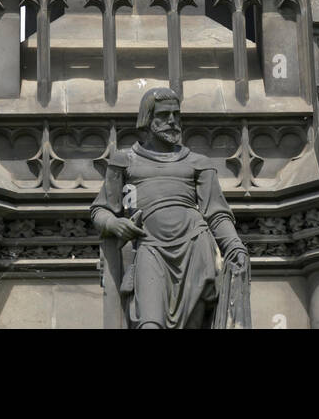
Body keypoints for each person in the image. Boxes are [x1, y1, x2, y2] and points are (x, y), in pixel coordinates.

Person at [91, 87, 249, 329]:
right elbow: (100, 210)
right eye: (164, 115)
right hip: (150, 247)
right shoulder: (124, 161)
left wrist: (234, 245)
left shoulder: (199, 163)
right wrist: (115, 224)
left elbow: (216, 213)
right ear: (147, 119)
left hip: (195, 247)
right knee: (150, 323)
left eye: (176, 114)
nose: (172, 121)